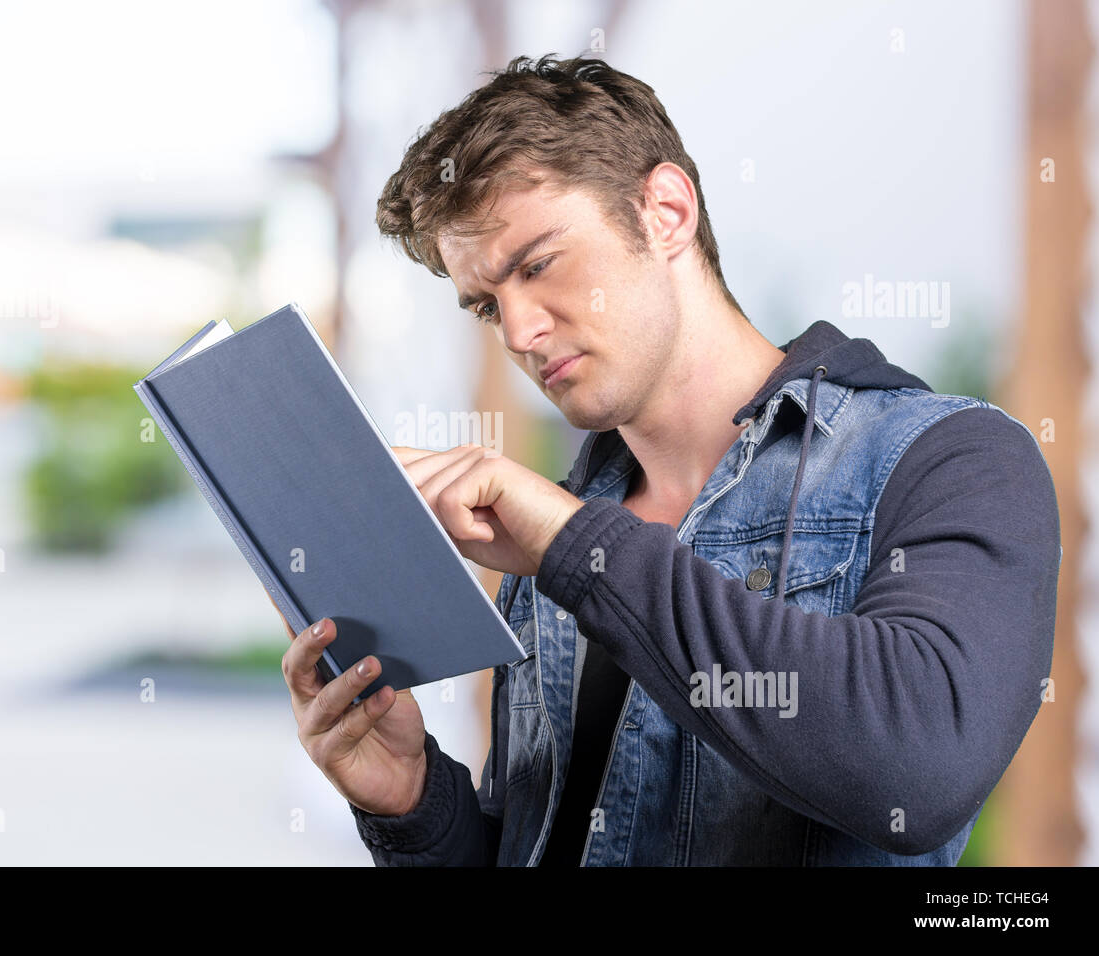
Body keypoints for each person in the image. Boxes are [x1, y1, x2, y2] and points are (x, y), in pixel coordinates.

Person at [277, 54, 1060, 865]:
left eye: (538, 264)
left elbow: (919, 771)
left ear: (667, 210)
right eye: (486, 304)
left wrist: (575, 548)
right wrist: (413, 801)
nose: (517, 332)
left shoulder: (951, 461)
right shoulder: (555, 536)